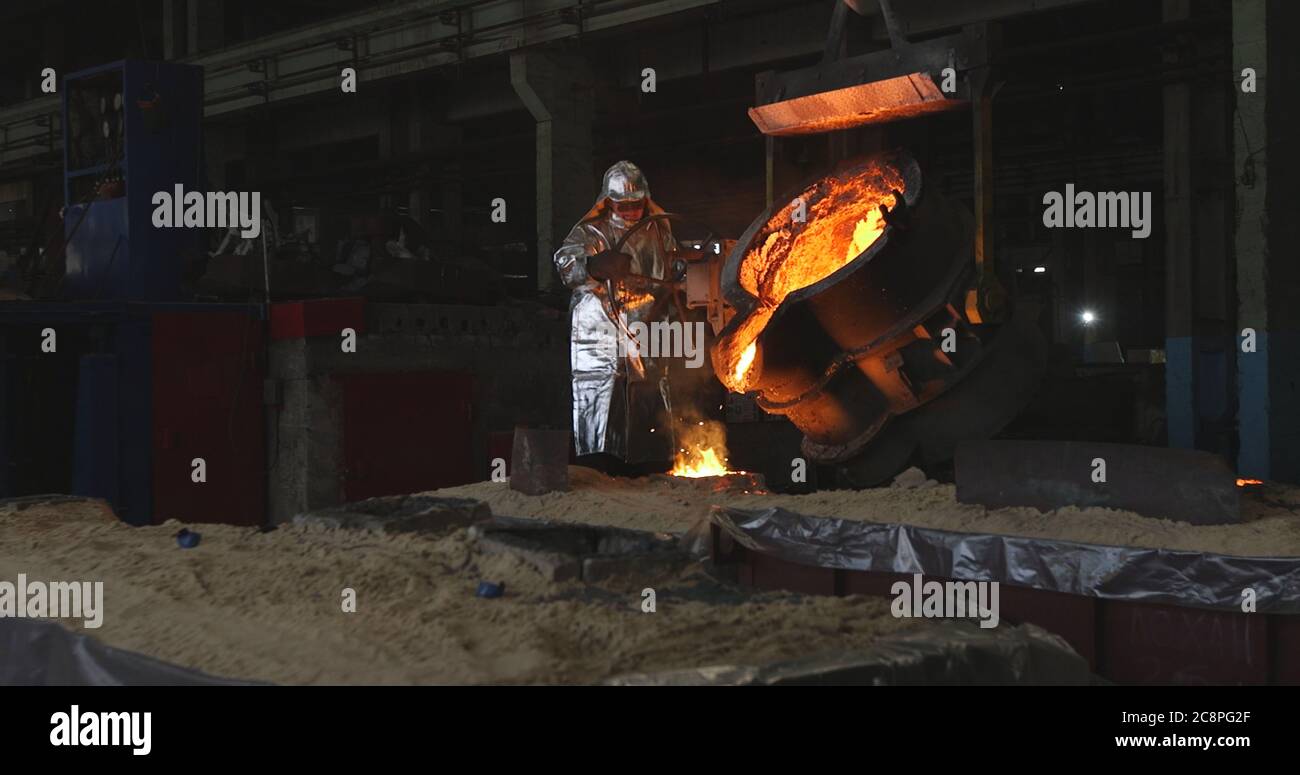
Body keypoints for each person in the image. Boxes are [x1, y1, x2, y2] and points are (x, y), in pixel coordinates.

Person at [554, 161, 678, 468]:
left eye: (636, 205)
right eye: (622, 205)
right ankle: (601, 465)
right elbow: (566, 264)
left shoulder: (657, 230)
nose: (630, 211)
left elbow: (671, 266)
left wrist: (689, 263)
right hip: (601, 329)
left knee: (649, 391)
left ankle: (648, 464)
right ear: (608, 202)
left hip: (645, 325)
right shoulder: (591, 232)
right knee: (602, 394)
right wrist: (593, 266)